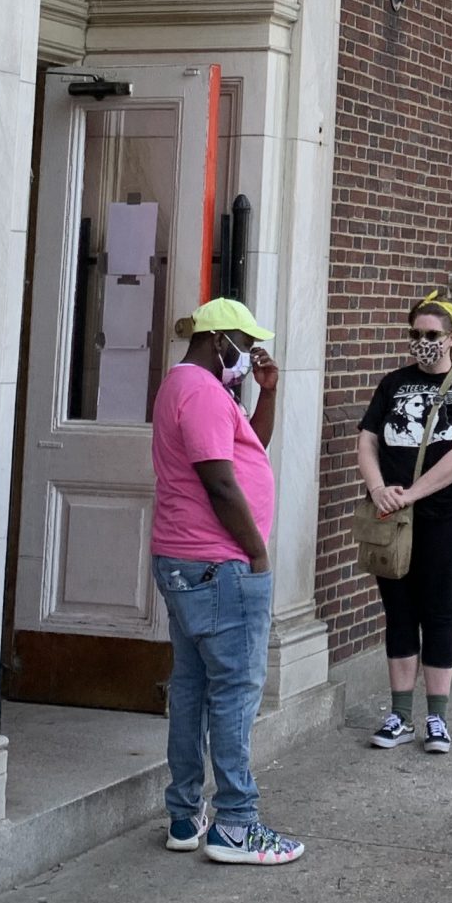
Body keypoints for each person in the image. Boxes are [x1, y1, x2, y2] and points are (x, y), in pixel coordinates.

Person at [149, 298, 304, 865]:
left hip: (185, 561)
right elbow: (220, 482)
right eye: (244, 344)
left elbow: (248, 452)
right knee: (236, 692)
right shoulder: (203, 392)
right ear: (220, 341)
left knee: (191, 688)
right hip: (218, 565)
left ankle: (185, 815)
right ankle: (237, 824)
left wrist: (267, 391)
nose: (249, 354)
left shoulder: (189, 387)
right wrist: (257, 553)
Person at [357, 295, 452, 753]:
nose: (422, 343)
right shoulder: (393, 382)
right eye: (415, 334)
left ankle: (437, 717)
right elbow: (367, 439)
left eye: (432, 335)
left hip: (443, 516)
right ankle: (399, 715)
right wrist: (379, 490)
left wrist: (412, 493)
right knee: (398, 611)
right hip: (391, 517)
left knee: (437, 611)